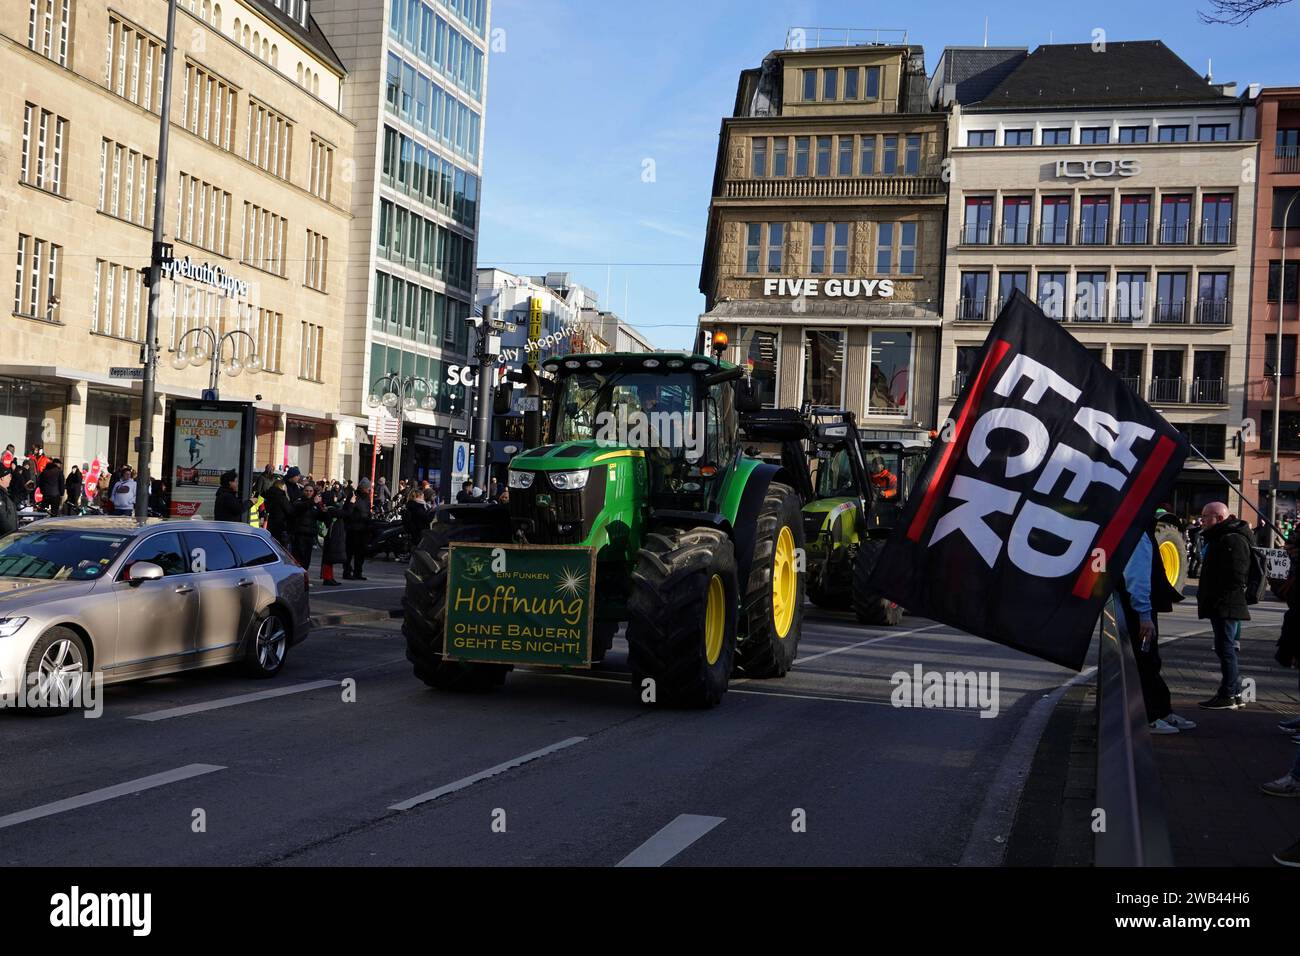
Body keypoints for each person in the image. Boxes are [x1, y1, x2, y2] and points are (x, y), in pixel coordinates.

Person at [1117, 521, 1197, 734]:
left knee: (1150, 661)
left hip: (1138, 607)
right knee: (1145, 662)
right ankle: (1150, 716)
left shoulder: (1136, 530)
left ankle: (1161, 711)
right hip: (1138, 609)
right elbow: (1137, 577)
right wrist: (1144, 613)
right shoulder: (1139, 534)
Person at [1197, 501, 1253, 710]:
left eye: (1206, 516)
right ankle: (1233, 692)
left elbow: (1237, 574)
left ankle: (1229, 693)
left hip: (1226, 603)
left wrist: (1219, 593)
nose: (1202, 520)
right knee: (1225, 648)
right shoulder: (1222, 537)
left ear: (1219, 518)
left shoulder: (1231, 539)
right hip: (1223, 602)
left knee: (1226, 648)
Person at [343, 480, 373, 581]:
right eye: (367, 488)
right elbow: (347, 511)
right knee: (350, 552)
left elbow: (367, 511)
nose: (369, 490)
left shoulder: (367, 498)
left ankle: (358, 572)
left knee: (361, 552)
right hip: (353, 528)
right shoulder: (353, 495)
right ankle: (347, 572)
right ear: (362, 487)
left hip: (363, 529)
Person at [288, 481, 319, 571]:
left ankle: (305, 577)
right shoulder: (299, 501)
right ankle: (298, 576)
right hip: (300, 534)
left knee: (307, 558)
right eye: (306, 491)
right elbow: (302, 507)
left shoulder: (314, 503)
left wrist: (324, 512)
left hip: (310, 534)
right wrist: (313, 502)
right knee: (298, 558)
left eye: (310, 491)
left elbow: (319, 516)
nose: (308, 493)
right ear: (303, 491)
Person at [319, 490, 346, 587]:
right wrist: (350, 503)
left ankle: (329, 577)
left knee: (328, 559)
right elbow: (345, 513)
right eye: (334, 496)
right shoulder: (331, 509)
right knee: (328, 559)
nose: (335, 498)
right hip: (332, 536)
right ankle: (327, 578)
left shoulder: (326, 508)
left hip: (330, 536)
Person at [264, 478, 291, 546]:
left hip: (271, 523)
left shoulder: (269, 495)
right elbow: (289, 511)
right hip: (280, 525)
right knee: (281, 546)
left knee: (272, 544)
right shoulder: (282, 497)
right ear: (282, 487)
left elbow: (267, 509)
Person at [0, 466, 17, 537]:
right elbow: (2, 516)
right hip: (5, 538)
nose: (10, 478)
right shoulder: (1, 495)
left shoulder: (4, 493)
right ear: (2, 478)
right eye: (9, 476)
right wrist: (11, 534)